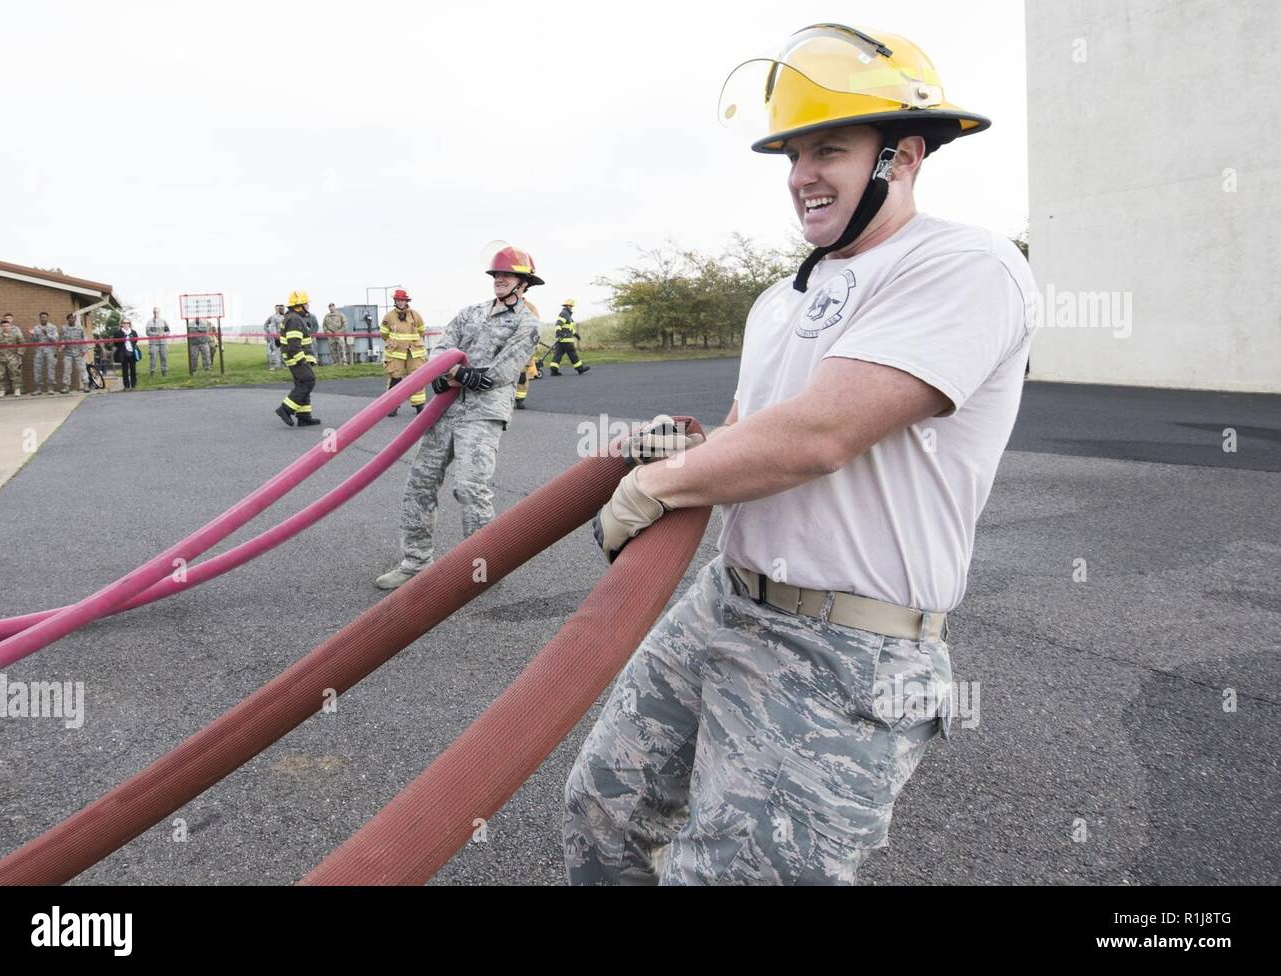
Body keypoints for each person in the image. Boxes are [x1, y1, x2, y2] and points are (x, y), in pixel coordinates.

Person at [564, 23, 1033, 885]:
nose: (802, 176)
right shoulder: (782, 298)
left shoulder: (965, 266)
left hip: (848, 647)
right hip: (728, 600)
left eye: (831, 149)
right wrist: (697, 450)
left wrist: (660, 487)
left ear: (905, 156)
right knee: (601, 812)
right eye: (791, 154)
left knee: (737, 878)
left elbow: (822, 435)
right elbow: (760, 432)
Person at [373, 244, 542, 589]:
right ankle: (415, 562)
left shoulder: (527, 323)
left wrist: (462, 375)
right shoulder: (471, 313)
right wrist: (438, 370)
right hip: (446, 410)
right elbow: (443, 346)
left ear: (523, 283)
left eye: (507, 274)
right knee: (419, 483)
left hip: (483, 414)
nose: (500, 279)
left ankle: (479, 570)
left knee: (469, 488)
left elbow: (499, 373)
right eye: (497, 274)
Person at [273, 291, 322, 428]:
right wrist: (302, 360)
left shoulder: (292, 317)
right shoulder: (295, 319)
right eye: (306, 303)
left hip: (295, 358)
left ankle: (304, 417)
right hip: (297, 359)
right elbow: (294, 344)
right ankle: (285, 409)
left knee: (302, 385)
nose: (308, 305)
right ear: (299, 306)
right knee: (308, 381)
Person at [378, 289, 427, 418]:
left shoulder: (415, 315)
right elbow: (384, 333)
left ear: (406, 301)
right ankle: (392, 406)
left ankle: (419, 404)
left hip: (414, 352)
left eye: (402, 300)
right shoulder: (389, 316)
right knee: (395, 378)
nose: (400, 302)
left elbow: (422, 331)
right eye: (398, 300)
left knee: (417, 377)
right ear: (395, 301)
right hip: (396, 352)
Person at [548, 300, 589, 375]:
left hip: (561, 340)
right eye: (571, 306)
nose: (571, 308)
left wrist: (575, 334)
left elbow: (569, 328)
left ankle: (554, 370)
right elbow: (558, 324)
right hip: (566, 339)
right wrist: (558, 332)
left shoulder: (567, 315)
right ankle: (580, 369)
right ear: (567, 306)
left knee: (558, 354)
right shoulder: (565, 314)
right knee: (572, 354)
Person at [28, 312, 59, 395]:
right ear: (40, 318)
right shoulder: (36, 328)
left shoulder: (52, 327)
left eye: (45, 317)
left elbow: (56, 339)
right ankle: (38, 389)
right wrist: (31, 335)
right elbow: (33, 341)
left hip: (50, 350)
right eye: (42, 317)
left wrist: (47, 334)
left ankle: (50, 389)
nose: (43, 319)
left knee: (50, 369)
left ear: (47, 318)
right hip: (39, 350)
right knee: (37, 369)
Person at [0, 314, 23, 397]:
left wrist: (19, 354)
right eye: (4, 326)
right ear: (1, 327)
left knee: (15, 374)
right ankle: (2, 390)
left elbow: (22, 344)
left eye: (7, 326)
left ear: (10, 326)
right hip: (1, 359)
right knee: (1, 375)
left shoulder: (16, 334)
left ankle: (17, 390)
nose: (5, 327)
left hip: (13, 358)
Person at [59, 312, 90, 394]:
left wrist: (84, 350)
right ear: (68, 319)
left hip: (78, 351)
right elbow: (62, 339)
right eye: (70, 318)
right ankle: (66, 387)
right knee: (67, 370)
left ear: (75, 319)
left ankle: (86, 385)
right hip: (68, 352)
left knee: (82, 369)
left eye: (73, 318)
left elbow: (85, 340)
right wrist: (61, 347)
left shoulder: (80, 328)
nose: (72, 319)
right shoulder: (63, 328)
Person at [112, 318, 141, 389]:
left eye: (128, 323)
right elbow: (115, 343)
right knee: (124, 369)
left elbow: (135, 341)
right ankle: (126, 386)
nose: (126, 324)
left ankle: (134, 385)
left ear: (130, 324)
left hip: (132, 352)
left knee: (133, 369)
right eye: (124, 323)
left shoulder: (133, 332)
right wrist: (123, 339)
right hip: (123, 353)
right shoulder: (117, 333)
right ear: (121, 324)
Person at [145, 306, 171, 377]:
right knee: (153, 358)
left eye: (157, 312)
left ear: (159, 312)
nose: (156, 313)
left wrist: (163, 334)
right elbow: (147, 332)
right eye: (154, 312)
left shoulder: (163, 321)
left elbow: (168, 331)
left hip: (163, 343)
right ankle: (152, 373)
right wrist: (156, 334)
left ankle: (164, 373)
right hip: (153, 344)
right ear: (153, 312)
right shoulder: (149, 322)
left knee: (164, 358)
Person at [264, 304, 286, 369]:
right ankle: (273, 366)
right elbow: (272, 327)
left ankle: (282, 365)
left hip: (284, 337)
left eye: (283, 309)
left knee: (283, 352)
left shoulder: (286, 316)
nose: (282, 310)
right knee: (275, 351)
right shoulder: (274, 317)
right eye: (280, 309)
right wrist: (274, 335)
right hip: (276, 337)